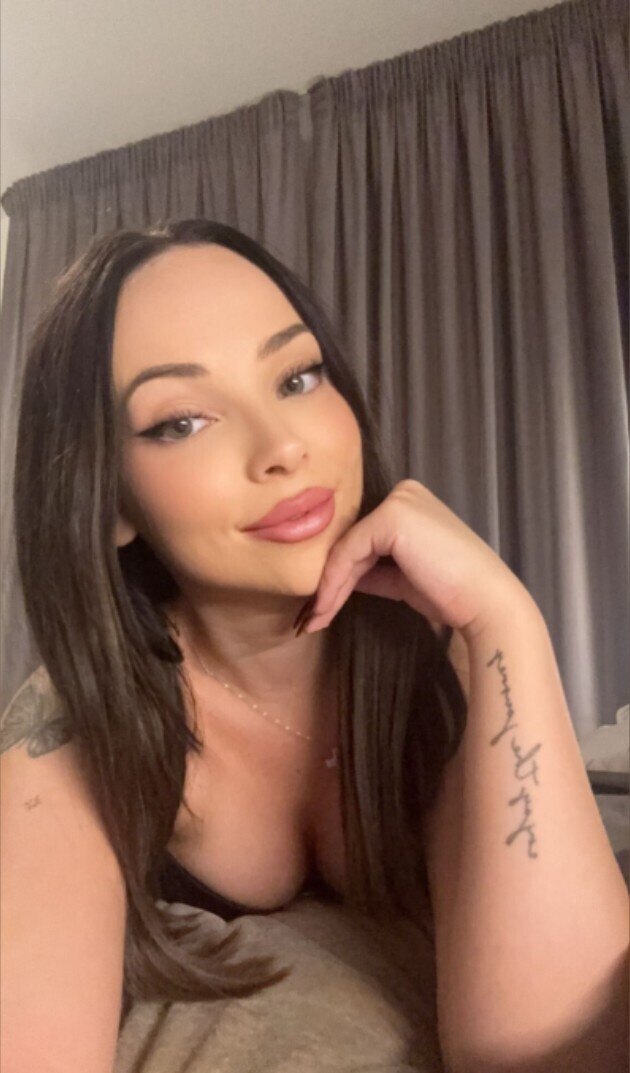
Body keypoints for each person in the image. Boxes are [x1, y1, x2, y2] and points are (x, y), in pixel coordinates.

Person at [1, 219, 468, 1070]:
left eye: (297, 377)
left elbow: (562, 1042)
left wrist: (509, 624)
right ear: (109, 500)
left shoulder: (450, 638)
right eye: (183, 421)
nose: (282, 446)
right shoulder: (66, 737)